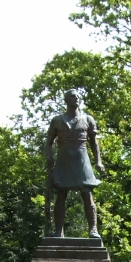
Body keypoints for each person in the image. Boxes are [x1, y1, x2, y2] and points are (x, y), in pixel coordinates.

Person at [45, 90, 103, 238]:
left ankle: (93, 229)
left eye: (77, 96)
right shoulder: (57, 120)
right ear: (66, 100)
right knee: (61, 194)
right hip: (63, 160)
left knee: (86, 193)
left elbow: (94, 143)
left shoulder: (88, 119)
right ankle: (58, 231)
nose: (76, 98)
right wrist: (49, 157)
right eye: (72, 96)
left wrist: (98, 162)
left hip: (82, 159)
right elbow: (48, 143)